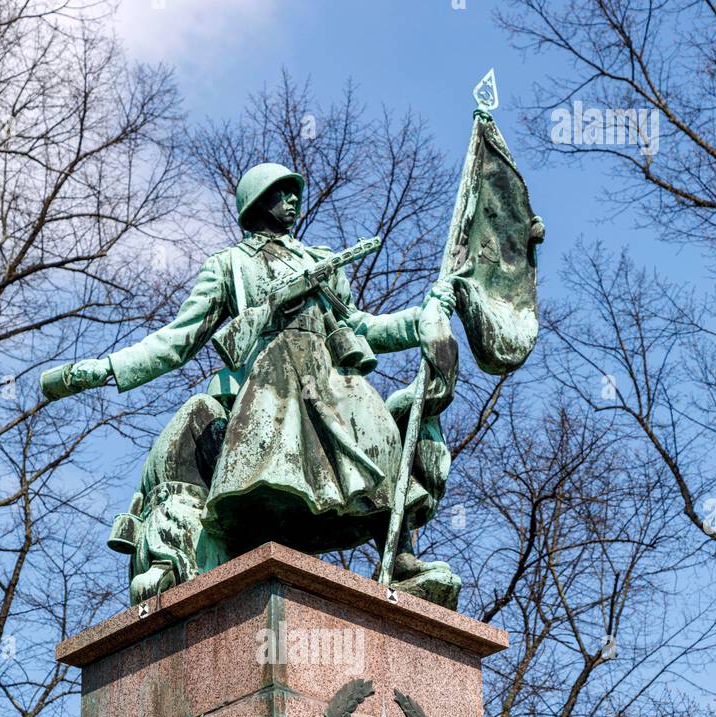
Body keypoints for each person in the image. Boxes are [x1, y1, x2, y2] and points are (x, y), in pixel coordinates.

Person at [43, 162, 465, 607]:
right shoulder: (228, 265)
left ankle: (398, 557)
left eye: (295, 193)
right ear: (258, 200)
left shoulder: (319, 261)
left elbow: (360, 326)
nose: (293, 200)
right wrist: (107, 367)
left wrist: (424, 316)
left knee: (377, 435)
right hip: (270, 377)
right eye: (282, 192)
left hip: (329, 376)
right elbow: (176, 340)